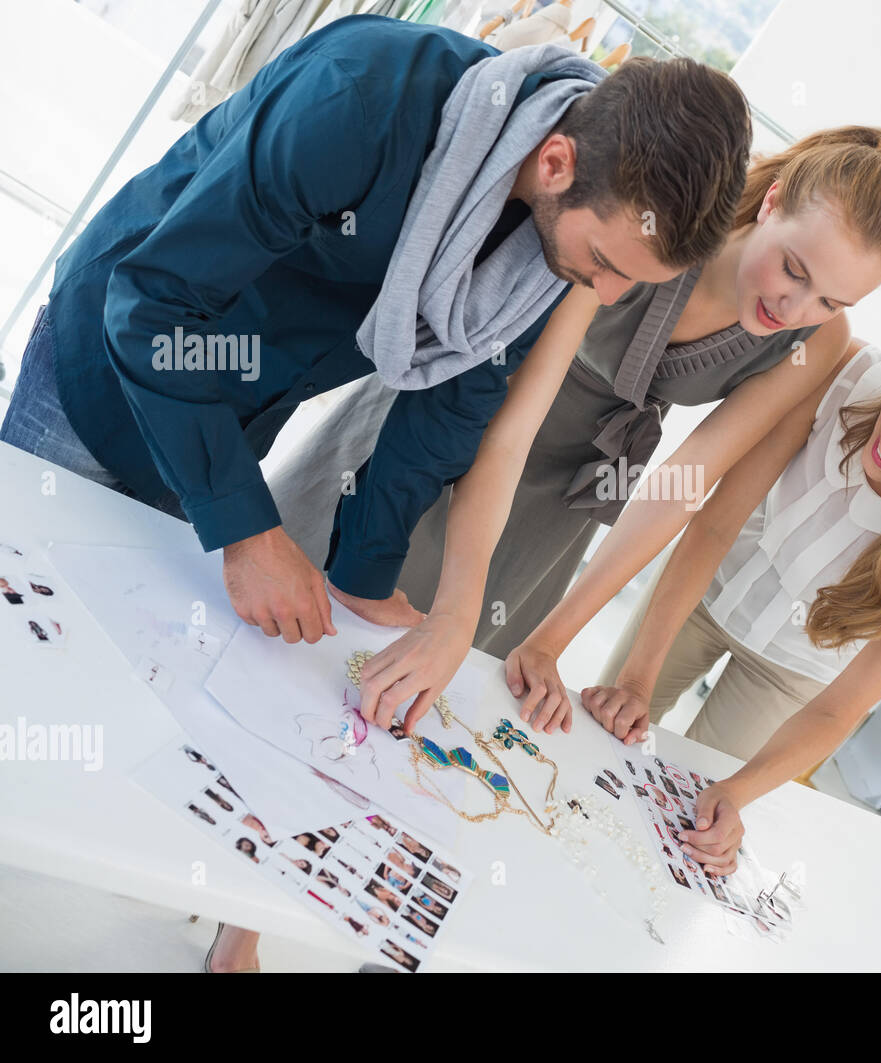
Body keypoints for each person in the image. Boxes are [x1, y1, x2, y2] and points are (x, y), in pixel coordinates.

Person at [0, 15, 750, 739]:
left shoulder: (553, 243)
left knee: (98, 651)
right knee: (18, 620)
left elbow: (453, 404)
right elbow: (154, 301)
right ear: (556, 162)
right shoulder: (359, 96)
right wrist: (250, 530)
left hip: (232, 412)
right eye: (611, 267)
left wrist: (365, 576)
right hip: (102, 359)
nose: (606, 295)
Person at [275, 127, 881, 740]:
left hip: (560, 497)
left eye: (832, 301)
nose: (796, 310)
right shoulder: (664, 222)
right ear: (772, 204)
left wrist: (552, 640)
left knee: (405, 700)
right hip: (464, 417)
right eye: (794, 271)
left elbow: (682, 486)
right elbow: (513, 424)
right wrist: (455, 607)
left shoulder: (816, 342)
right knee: (299, 611)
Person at [579, 338, 881, 873]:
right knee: (597, 735)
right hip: (704, 588)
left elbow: (841, 708)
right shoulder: (838, 375)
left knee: (683, 822)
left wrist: (737, 794)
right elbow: (712, 527)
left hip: (792, 673)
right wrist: (637, 682)